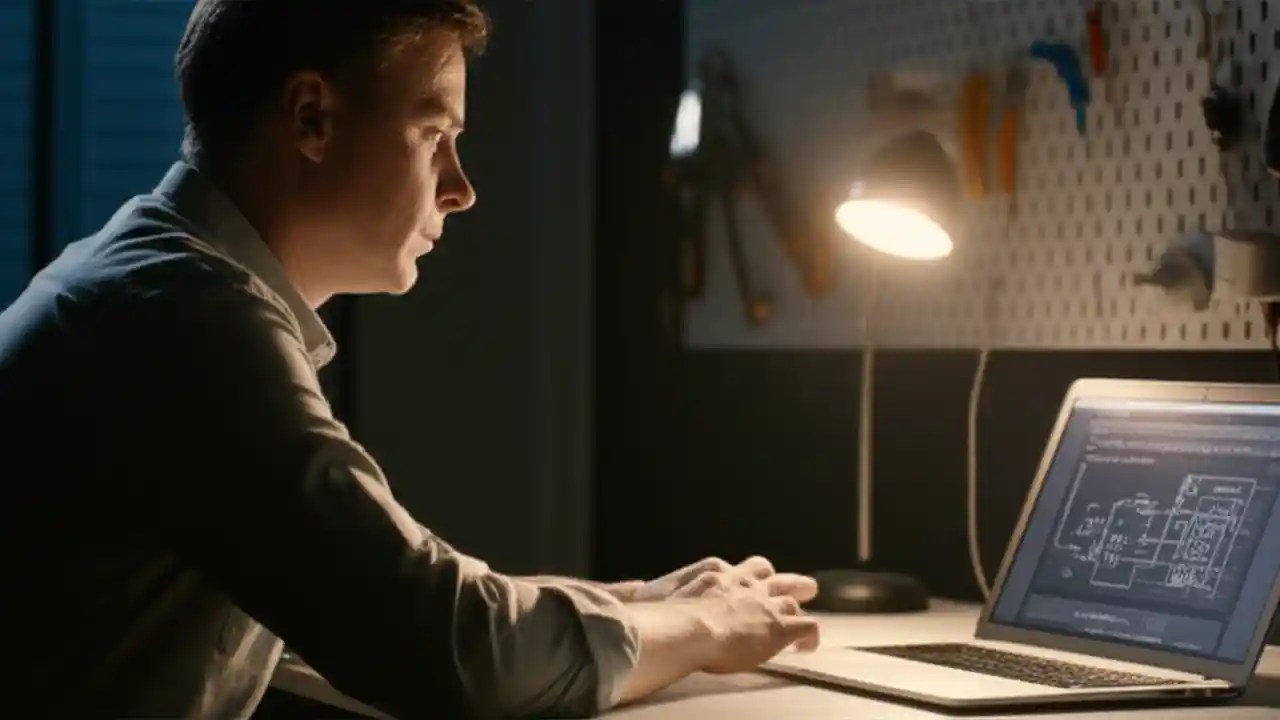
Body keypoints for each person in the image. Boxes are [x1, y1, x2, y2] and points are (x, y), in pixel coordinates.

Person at [0, 1, 821, 717]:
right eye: (434, 133)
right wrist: (701, 627)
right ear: (312, 118)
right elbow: (438, 643)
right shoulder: (187, 323)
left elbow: (373, 588)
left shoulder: (147, 280)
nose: (461, 187)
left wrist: (637, 606)